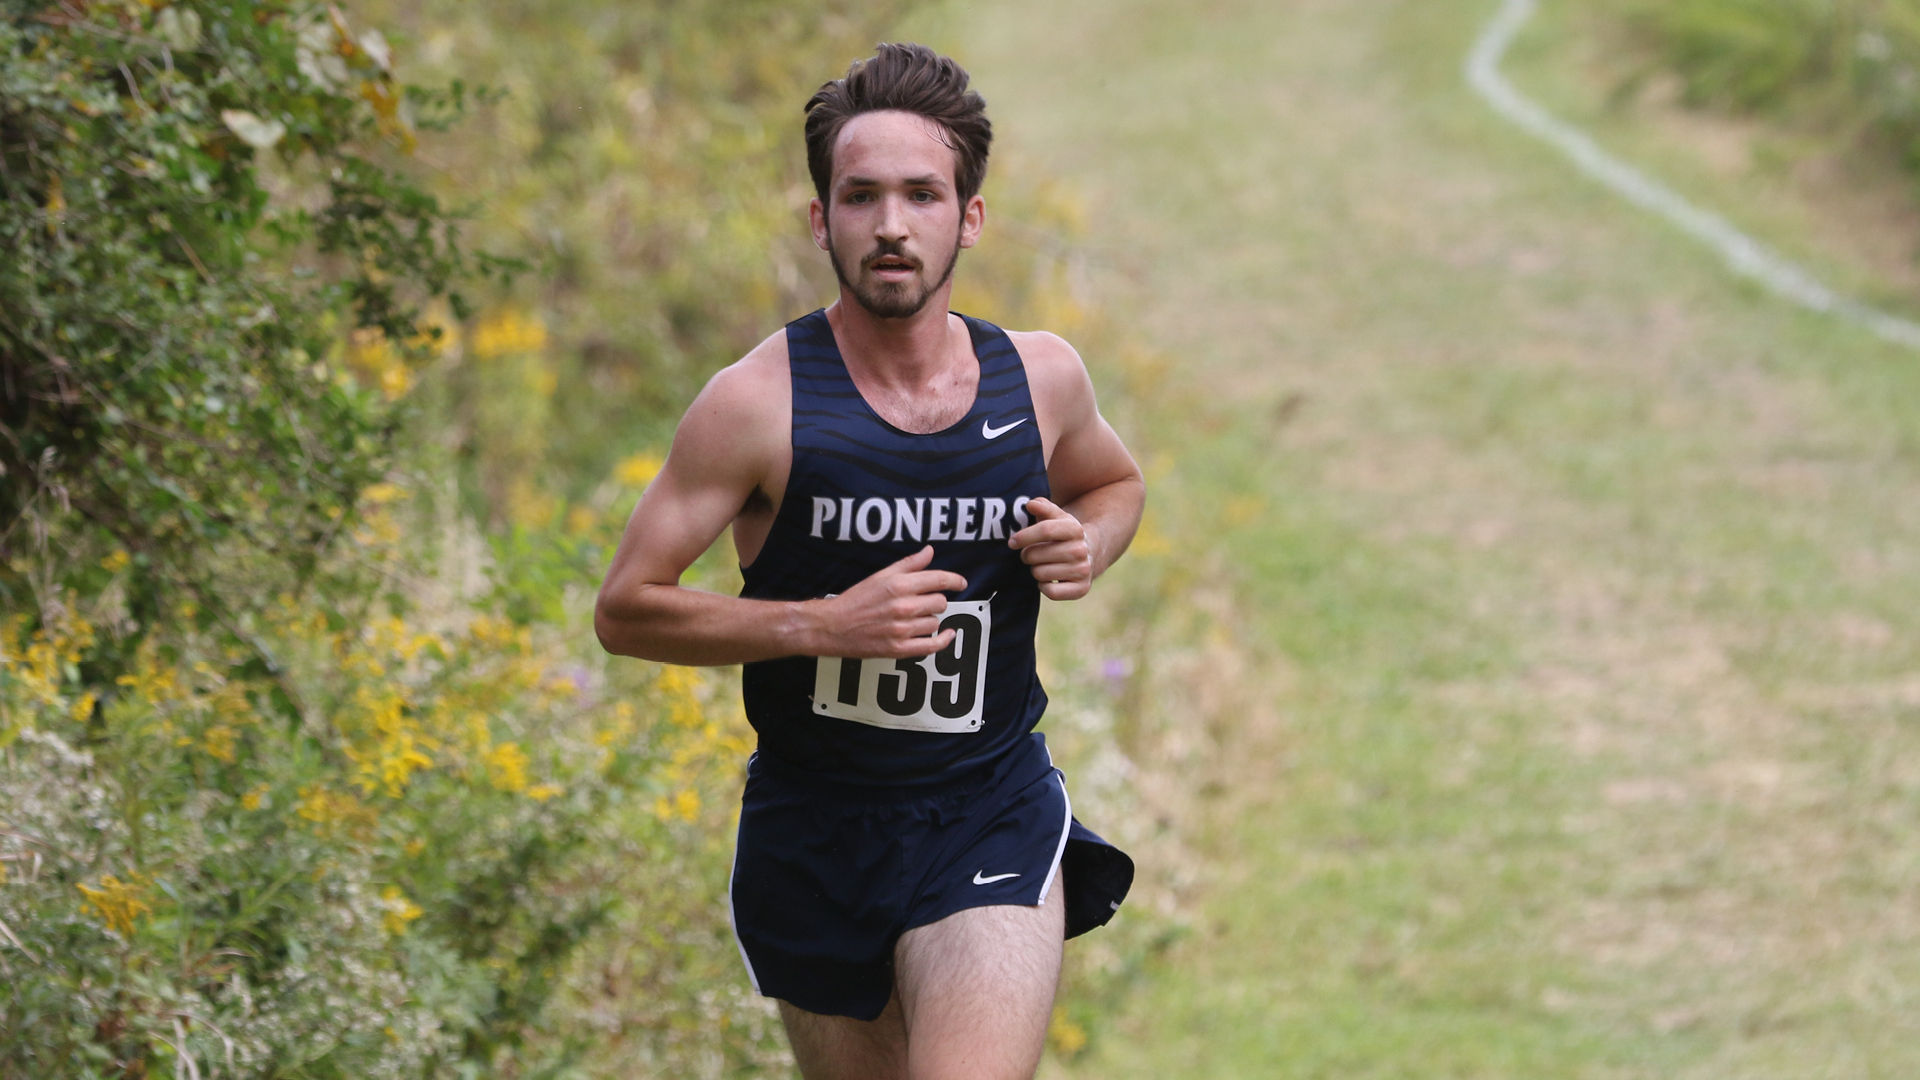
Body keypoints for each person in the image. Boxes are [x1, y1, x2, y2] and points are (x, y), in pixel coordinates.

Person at [595, 42, 1145, 1080]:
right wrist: (818, 625)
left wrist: (1088, 545)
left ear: (968, 218)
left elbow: (1116, 486)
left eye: (921, 195)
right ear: (821, 220)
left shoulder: (1040, 379)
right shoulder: (757, 404)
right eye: (861, 197)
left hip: (990, 808)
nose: (891, 225)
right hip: (815, 833)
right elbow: (626, 608)